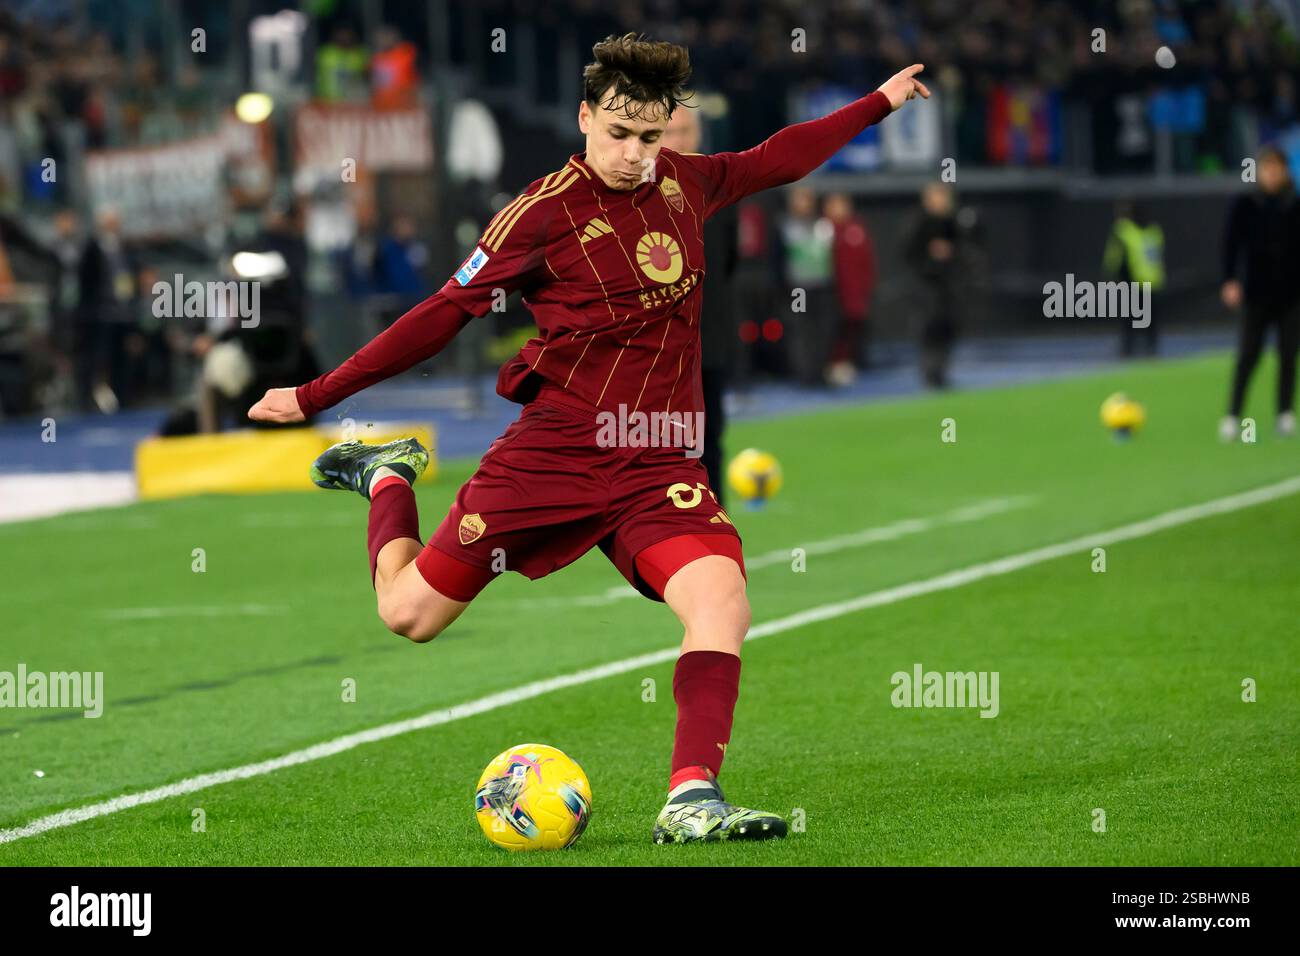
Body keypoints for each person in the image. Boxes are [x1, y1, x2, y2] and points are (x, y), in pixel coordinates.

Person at [250, 33, 929, 844]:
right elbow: (440, 314)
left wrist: (879, 102)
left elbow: (781, 156)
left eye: (649, 137)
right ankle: (388, 475)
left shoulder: (688, 181)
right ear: (584, 118)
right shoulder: (539, 215)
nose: (635, 155)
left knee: (721, 601)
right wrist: (318, 394)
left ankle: (691, 797)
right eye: (618, 135)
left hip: (656, 458)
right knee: (409, 615)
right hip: (556, 452)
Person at [660, 96, 739, 507]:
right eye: (669, 133)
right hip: (660, 351)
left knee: (711, 442)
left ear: (698, 134)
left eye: (684, 131)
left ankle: (717, 528)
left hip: (709, 342)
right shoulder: (642, 194)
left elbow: (728, 264)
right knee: (662, 449)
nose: (677, 140)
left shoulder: (719, 190)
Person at [1219, 145, 1300, 440]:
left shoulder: (1294, 204)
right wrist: (1230, 279)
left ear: (1284, 171)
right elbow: (1230, 244)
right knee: (1248, 355)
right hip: (1256, 293)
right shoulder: (1246, 203)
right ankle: (1233, 414)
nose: (1272, 174)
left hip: (1291, 293)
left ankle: (1285, 413)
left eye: (1277, 168)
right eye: (1266, 168)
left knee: (1288, 355)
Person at [906, 182, 965, 389]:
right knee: (928, 329)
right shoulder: (918, 223)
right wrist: (930, 256)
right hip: (926, 287)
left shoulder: (953, 224)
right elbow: (908, 254)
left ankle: (942, 371)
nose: (940, 202)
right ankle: (929, 373)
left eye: (943, 197)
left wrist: (951, 253)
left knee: (947, 328)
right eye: (936, 197)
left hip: (948, 286)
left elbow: (965, 252)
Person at [778, 186, 836, 385]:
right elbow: (778, 260)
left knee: (823, 329)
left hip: (822, 286)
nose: (805, 204)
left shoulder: (823, 224)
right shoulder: (785, 226)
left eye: (808, 199)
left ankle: (820, 371)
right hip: (798, 289)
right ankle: (805, 374)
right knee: (802, 330)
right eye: (801, 199)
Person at [824, 192, 877, 386]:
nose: (840, 209)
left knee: (854, 328)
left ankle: (850, 364)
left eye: (843, 204)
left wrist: (867, 286)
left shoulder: (857, 228)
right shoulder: (823, 229)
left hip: (855, 292)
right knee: (831, 330)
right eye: (836, 205)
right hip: (830, 293)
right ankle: (832, 366)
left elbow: (868, 261)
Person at [1102, 199, 1165, 357]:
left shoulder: (1123, 231)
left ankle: (1129, 347)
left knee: (1129, 318)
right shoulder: (1153, 230)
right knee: (1149, 319)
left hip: (1133, 280)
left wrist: (1110, 275)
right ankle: (1150, 347)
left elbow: (1114, 257)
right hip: (1152, 279)